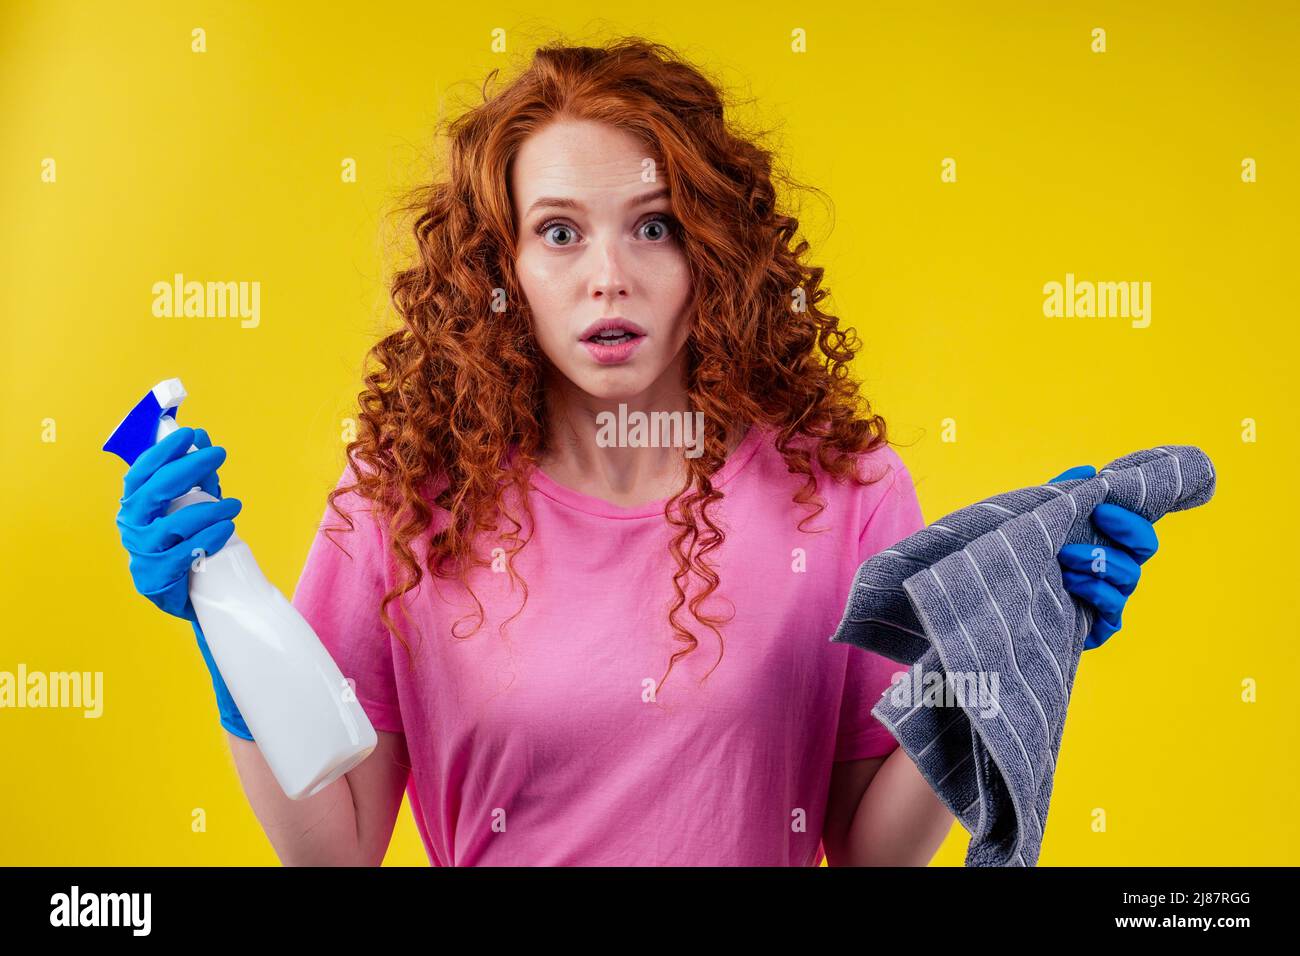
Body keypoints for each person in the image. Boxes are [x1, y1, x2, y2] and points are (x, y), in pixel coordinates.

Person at [115, 37, 1156, 866]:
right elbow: (334, 849)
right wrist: (222, 625)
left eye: (651, 226)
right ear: (502, 262)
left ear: (712, 249)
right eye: (559, 232)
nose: (606, 275)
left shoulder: (842, 490)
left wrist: (998, 650)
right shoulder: (404, 493)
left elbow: (871, 848)